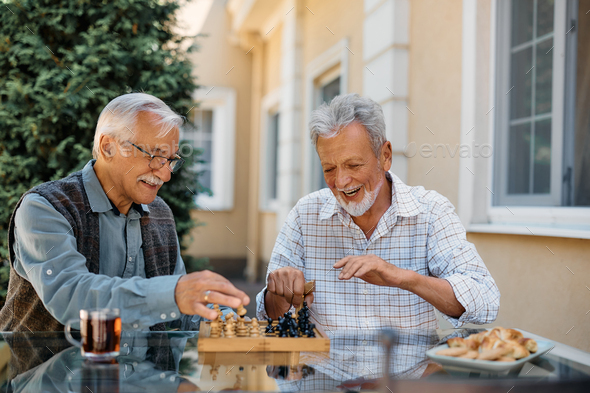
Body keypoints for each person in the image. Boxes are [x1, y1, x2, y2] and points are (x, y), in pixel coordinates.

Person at [0, 93, 249, 334]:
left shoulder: (161, 213)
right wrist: (172, 293)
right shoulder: (45, 207)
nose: (165, 174)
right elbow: (72, 295)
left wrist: (225, 317)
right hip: (47, 375)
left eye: (170, 160)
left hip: (146, 377)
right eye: (154, 156)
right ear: (107, 147)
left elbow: (185, 309)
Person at [256, 93, 500, 330]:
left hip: (406, 372)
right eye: (329, 168)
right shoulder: (304, 214)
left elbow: (485, 300)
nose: (341, 182)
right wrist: (280, 294)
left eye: (354, 165)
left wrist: (402, 278)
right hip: (326, 371)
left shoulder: (431, 211)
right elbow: (268, 314)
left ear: (385, 156)